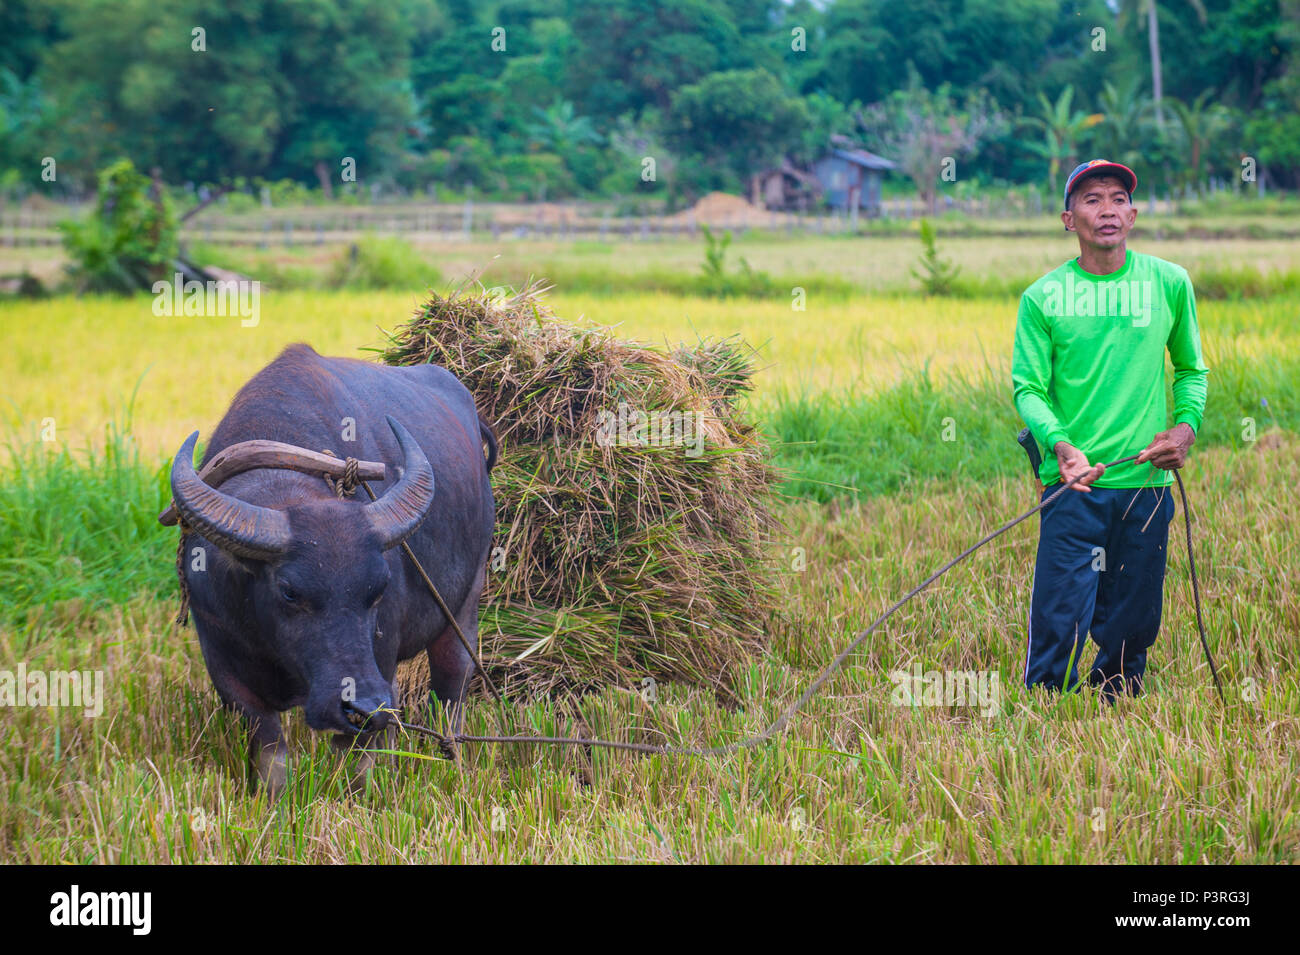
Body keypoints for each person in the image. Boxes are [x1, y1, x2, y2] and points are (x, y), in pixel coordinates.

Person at [1012, 159, 1210, 699]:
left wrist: (1184, 430)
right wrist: (1061, 445)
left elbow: (1192, 369)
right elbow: (1028, 388)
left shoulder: (1169, 283)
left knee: (1135, 613)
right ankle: (1047, 705)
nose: (1107, 209)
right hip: (1073, 482)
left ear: (1133, 213)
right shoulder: (1043, 297)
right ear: (1068, 218)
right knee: (1060, 607)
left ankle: (1116, 699)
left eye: (1118, 198)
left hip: (1144, 483)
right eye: (1092, 199)